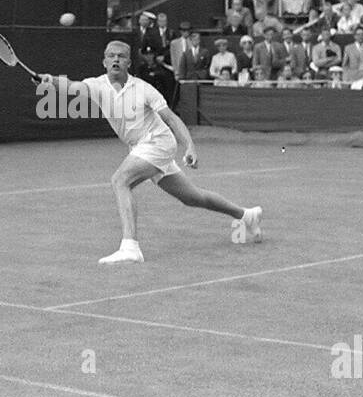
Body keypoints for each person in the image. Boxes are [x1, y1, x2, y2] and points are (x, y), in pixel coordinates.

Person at [38, 41, 263, 263]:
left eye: (121, 56)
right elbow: (72, 86)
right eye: (111, 55)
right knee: (192, 197)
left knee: (120, 181)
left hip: (158, 142)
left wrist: (190, 145)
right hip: (141, 147)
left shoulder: (144, 89)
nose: (116, 59)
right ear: (104, 61)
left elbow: (171, 119)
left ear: (128, 63)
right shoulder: (96, 85)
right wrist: (50, 80)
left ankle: (130, 247)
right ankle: (246, 215)